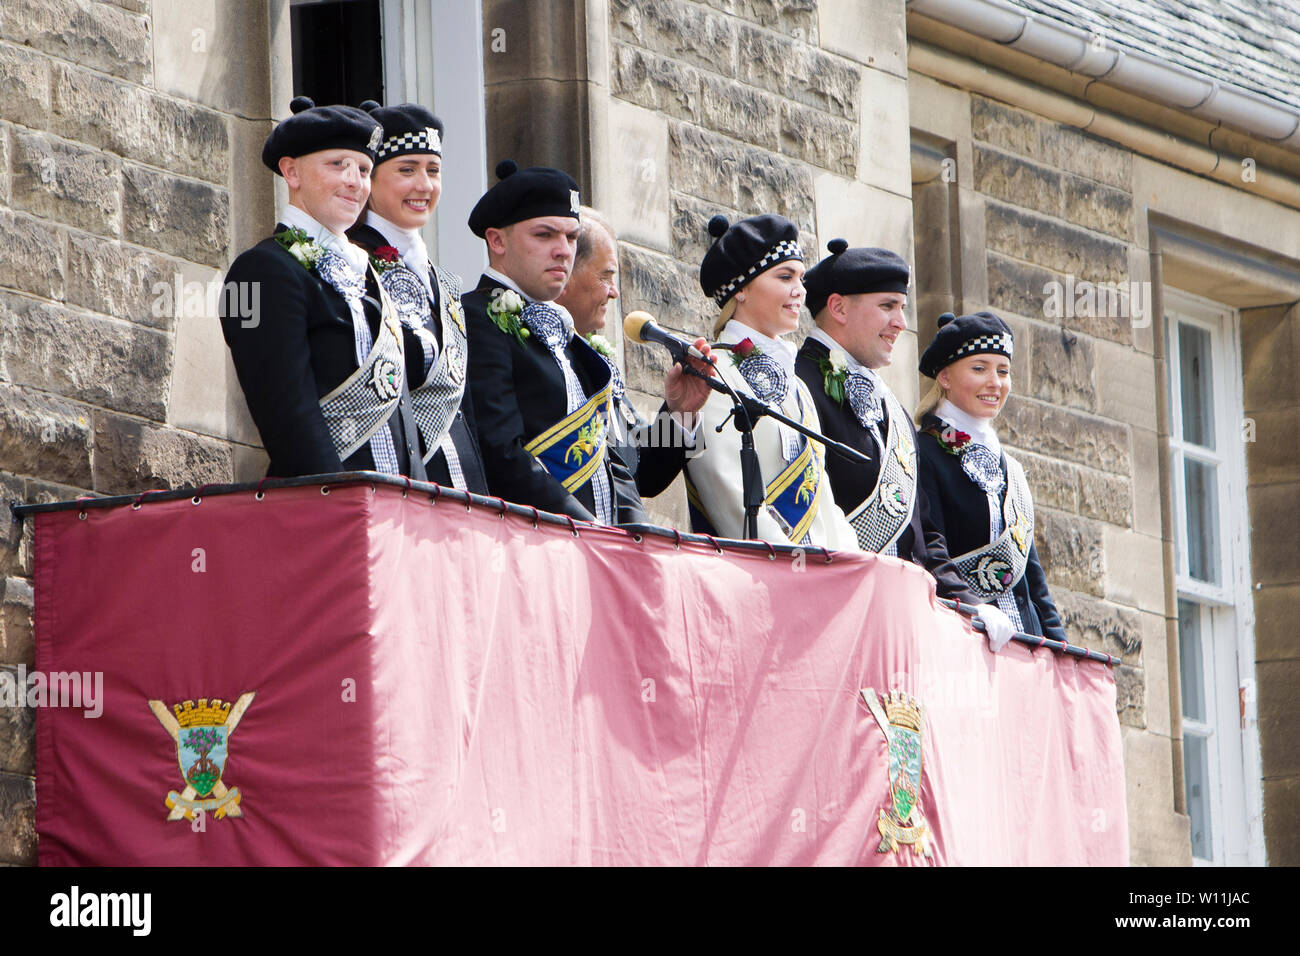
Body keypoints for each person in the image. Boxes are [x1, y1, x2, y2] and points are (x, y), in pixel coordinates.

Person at [463, 162, 713, 523]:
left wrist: (681, 413)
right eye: (545, 235)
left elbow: (632, 469)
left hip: (598, 552)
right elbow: (500, 454)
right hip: (541, 546)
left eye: (570, 237)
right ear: (497, 240)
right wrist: (587, 529)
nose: (563, 250)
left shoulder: (576, 342)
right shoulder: (476, 317)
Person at [795, 241, 1014, 650]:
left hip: (898, 624)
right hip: (829, 617)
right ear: (839, 309)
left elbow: (923, 535)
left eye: (902, 307)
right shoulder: (798, 385)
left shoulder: (893, 408)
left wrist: (968, 603)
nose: (901, 322)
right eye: (888, 306)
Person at [220, 96, 428, 479]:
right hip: (329, 511)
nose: (355, 182)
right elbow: (287, 418)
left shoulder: (370, 272)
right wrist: (340, 506)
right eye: (338, 165)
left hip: (400, 513)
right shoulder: (257, 272)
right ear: (292, 173)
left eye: (365, 170)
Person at [683, 214, 857, 548]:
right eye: (785, 276)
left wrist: (852, 563)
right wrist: (794, 566)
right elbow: (726, 490)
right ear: (742, 289)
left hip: (817, 578)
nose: (800, 290)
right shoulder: (714, 373)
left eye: (802, 278)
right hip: (758, 574)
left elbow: (821, 494)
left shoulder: (798, 385)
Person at [345, 100, 488, 493]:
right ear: (371, 177)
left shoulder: (441, 279)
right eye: (407, 170)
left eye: (434, 171)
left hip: (464, 487)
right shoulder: (352, 261)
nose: (424, 185)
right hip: (397, 481)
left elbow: (465, 408)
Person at [914, 311, 1065, 645]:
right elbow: (929, 550)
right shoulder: (925, 451)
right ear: (946, 378)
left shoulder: (1008, 466)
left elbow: (1031, 575)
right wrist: (974, 608)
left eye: (1003, 371)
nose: (995, 382)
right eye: (979, 368)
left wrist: (1060, 647)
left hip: (1025, 640)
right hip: (959, 635)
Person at [555, 205, 698, 499]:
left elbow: (643, 475)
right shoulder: (531, 350)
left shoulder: (597, 359)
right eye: (605, 277)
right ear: (565, 272)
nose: (614, 292)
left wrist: (681, 413)